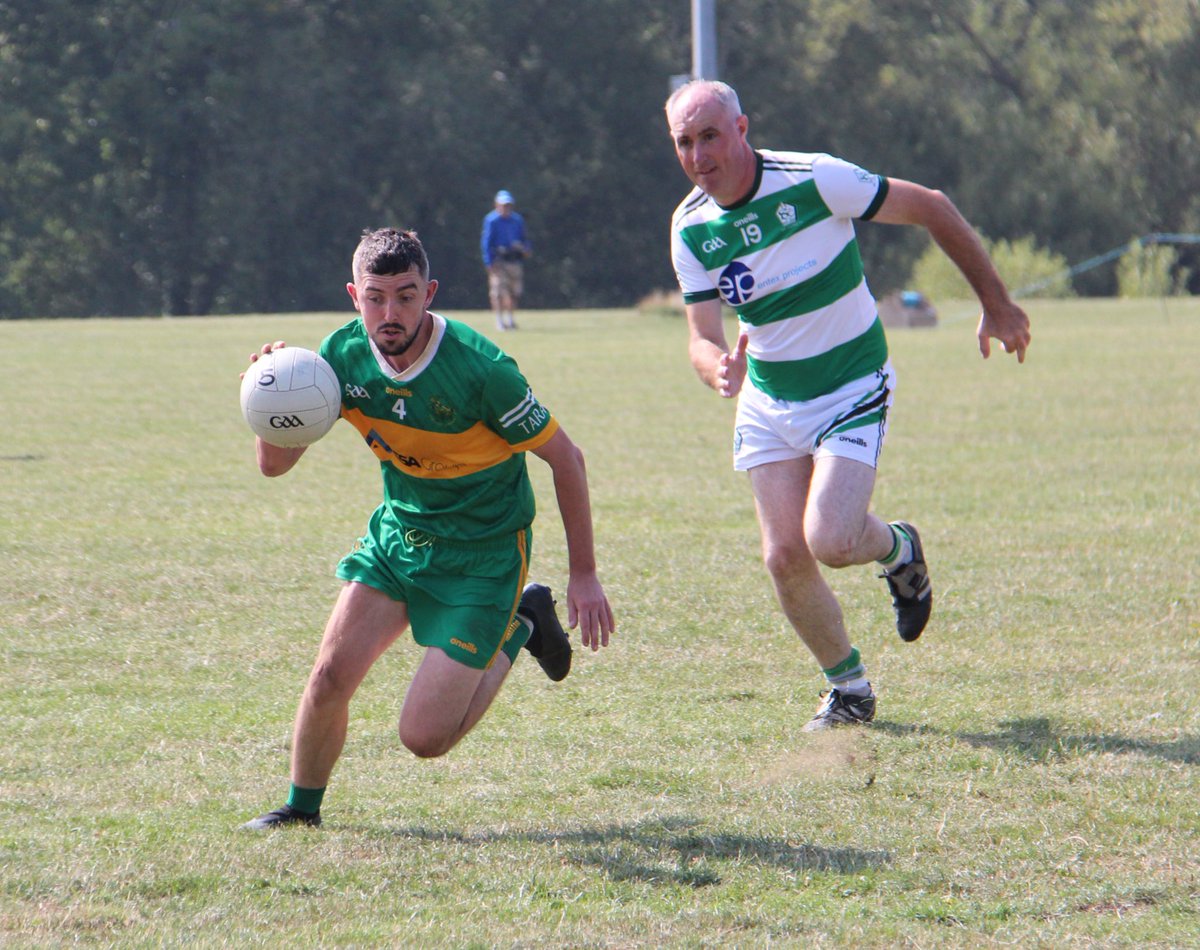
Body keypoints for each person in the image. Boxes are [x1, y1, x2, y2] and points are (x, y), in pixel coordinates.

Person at [664, 80, 1031, 731]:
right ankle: (849, 691)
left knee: (831, 540)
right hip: (770, 398)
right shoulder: (691, 227)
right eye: (684, 142)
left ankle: (898, 548)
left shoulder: (815, 179)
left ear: (742, 129)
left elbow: (933, 207)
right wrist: (714, 365)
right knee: (783, 557)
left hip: (851, 386)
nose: (698, 155)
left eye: (710, 136)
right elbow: (701, 335)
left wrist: (996, 303)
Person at [243, 228, 614, 829]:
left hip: (484, 556)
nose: (390, 314)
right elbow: (274, 466)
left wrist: (585, 574)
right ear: (354, 297)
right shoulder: (338, 359)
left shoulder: (481, 370)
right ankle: (301, 810)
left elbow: (566, 459)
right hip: (400, 538)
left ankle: (522, 621)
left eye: (406, 296)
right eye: (375, 298)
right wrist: (270, 400)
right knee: (330, 675)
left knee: (423, 738)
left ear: (430, 293)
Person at [481, 189, 530, 331]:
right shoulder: (491, 220)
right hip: (498, 261)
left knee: (514, 292)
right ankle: (499, 321)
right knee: (498, 292)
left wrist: (525, 249)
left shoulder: (517, 220)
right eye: (503, 205)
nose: (506, 208)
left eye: (508, 205)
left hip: (514, 261)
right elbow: (486, 242)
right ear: (497, 205)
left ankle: (510, 319)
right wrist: (488, 262)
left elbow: (524, 239)